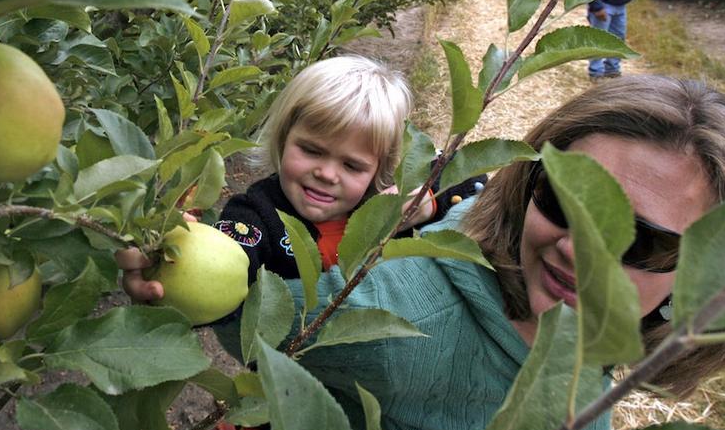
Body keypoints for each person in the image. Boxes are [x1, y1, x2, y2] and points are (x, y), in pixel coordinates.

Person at [120, 75, 725, 430]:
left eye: (640, 241)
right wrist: (175, 270)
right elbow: (263, 315)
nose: (580, 251)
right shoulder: (407, 326)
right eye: (568, 202)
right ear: (529, 185)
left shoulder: (579, 331)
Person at [121, 55, 485, 301]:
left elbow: (469, 175)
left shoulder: (385, 205)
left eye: (353, 166)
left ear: (380, 169)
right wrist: (175, 258)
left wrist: (425, 199)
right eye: (311, 151)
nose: (326, 174)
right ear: (283, 139)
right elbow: (232, 266)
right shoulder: (256, 215)